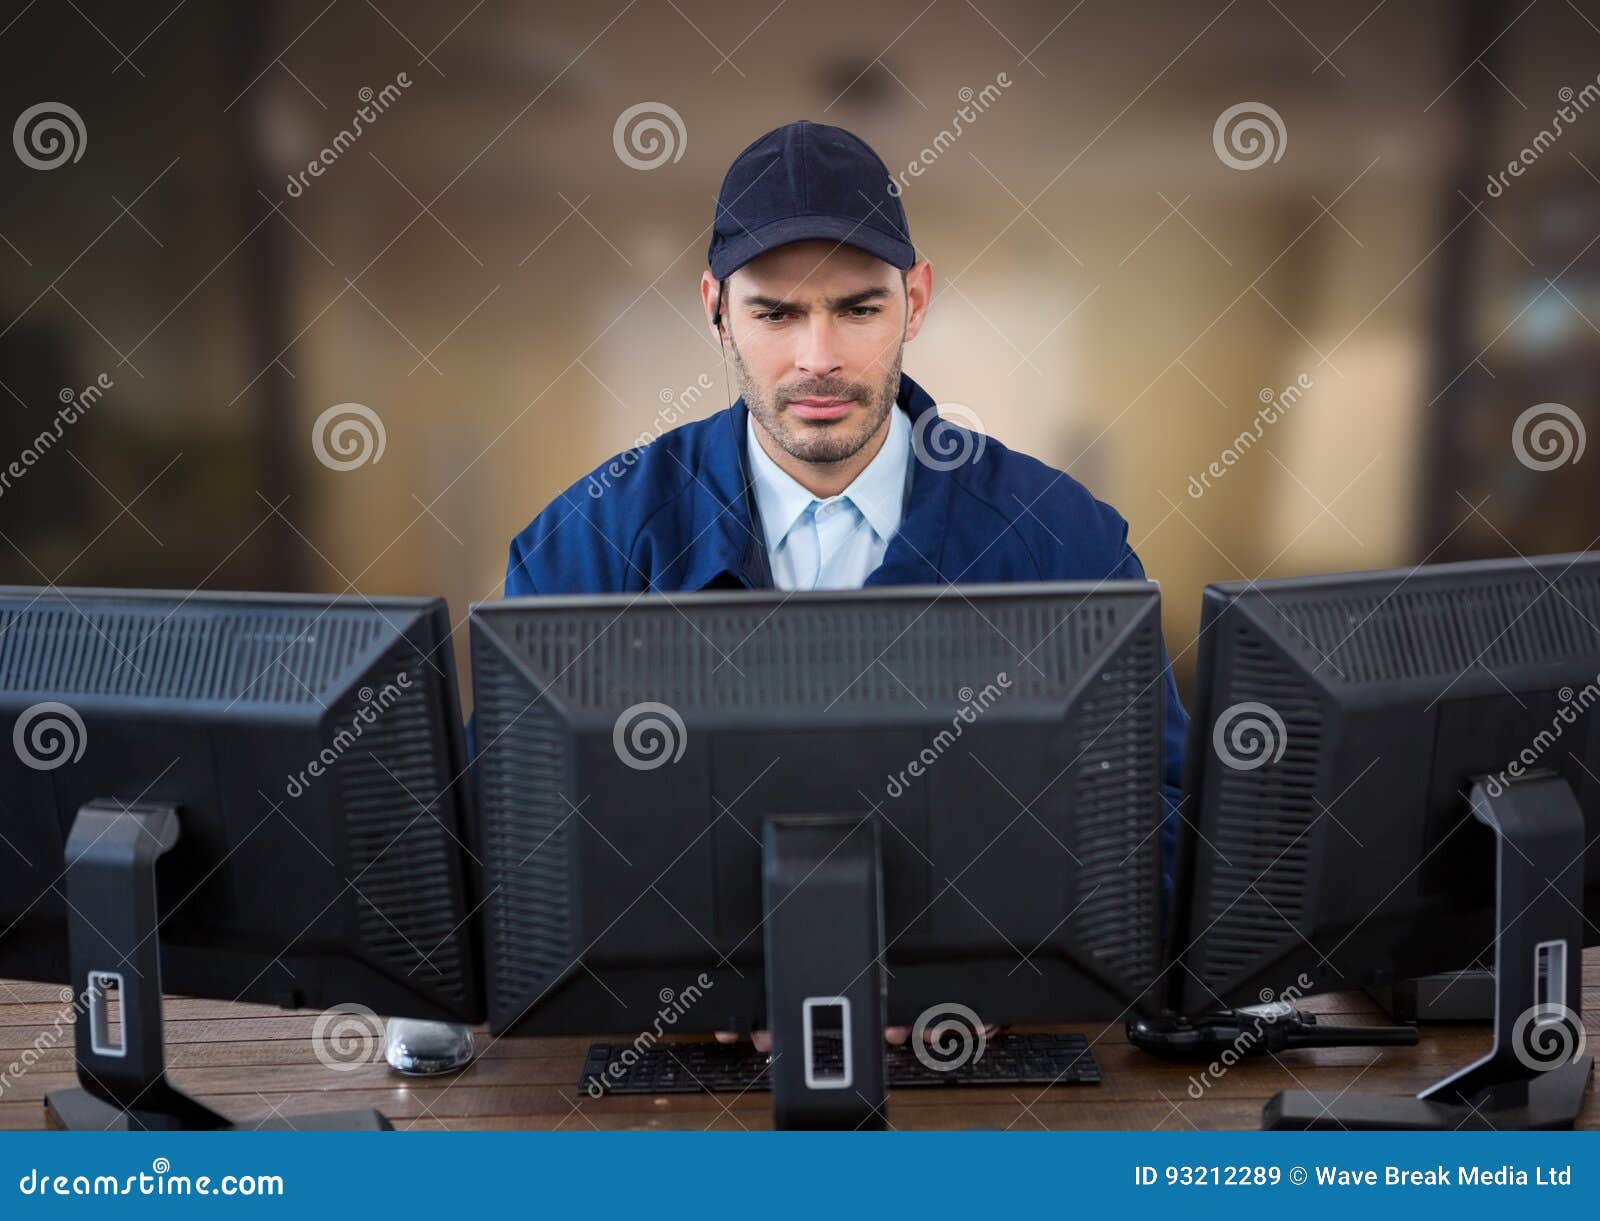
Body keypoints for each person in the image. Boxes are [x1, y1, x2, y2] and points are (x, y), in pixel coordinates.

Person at [500, 119, 1189, 1054]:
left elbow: (1166, 826)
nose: (817, 357)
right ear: (715, 306)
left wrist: (1003, 979)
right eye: (776, 313)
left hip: (989, 1068)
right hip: (676, 1074)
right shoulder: (583, 549)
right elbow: (513, 861)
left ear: (917, 298)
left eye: (859, 309)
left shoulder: (1062, 540)